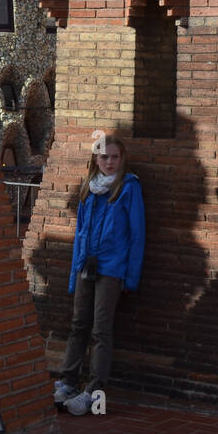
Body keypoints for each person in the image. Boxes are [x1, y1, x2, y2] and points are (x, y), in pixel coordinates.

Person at [53, 133, 145, 416]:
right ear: (95, 158)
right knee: (79, 323)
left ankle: (94, 390)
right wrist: (73, 275)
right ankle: (68, 380)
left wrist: (130, 277)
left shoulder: (128, 188)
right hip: (85, 265)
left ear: (122, 159)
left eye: (114, 157)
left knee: (100, 329)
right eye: (104, 156)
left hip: (112, 268)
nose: (109, 162)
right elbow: (80, 234)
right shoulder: (88, 189)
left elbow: (136, 235)